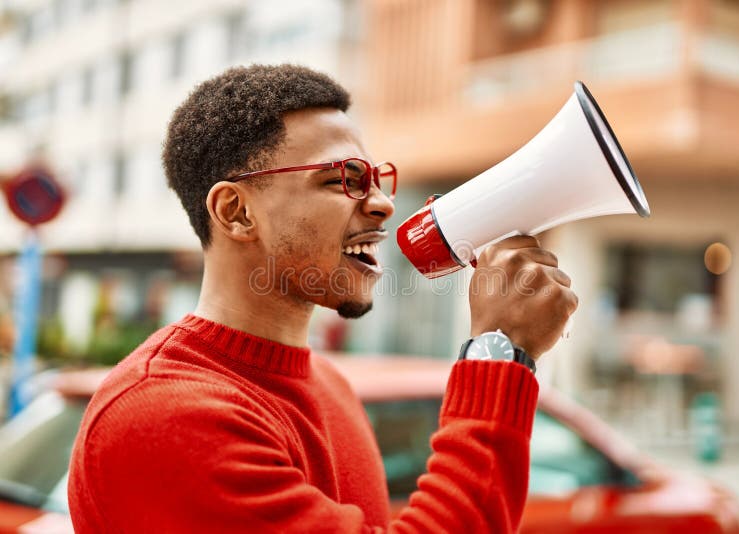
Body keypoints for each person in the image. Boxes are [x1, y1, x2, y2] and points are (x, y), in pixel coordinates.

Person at [68, 64, 577, 533]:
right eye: (343, 180)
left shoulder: (330, 385)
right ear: (236, 212)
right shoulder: (163, 414)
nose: (383, 204)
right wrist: (500, 350)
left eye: (376, 181)